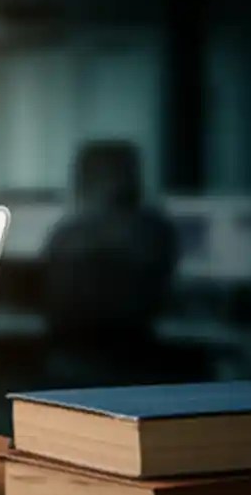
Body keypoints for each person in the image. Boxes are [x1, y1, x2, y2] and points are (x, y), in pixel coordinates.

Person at [41, 140, 180, 386]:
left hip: (69, 368)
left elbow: (48, 300)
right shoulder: (157, 231)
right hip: (138, 368)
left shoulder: (65, 234)